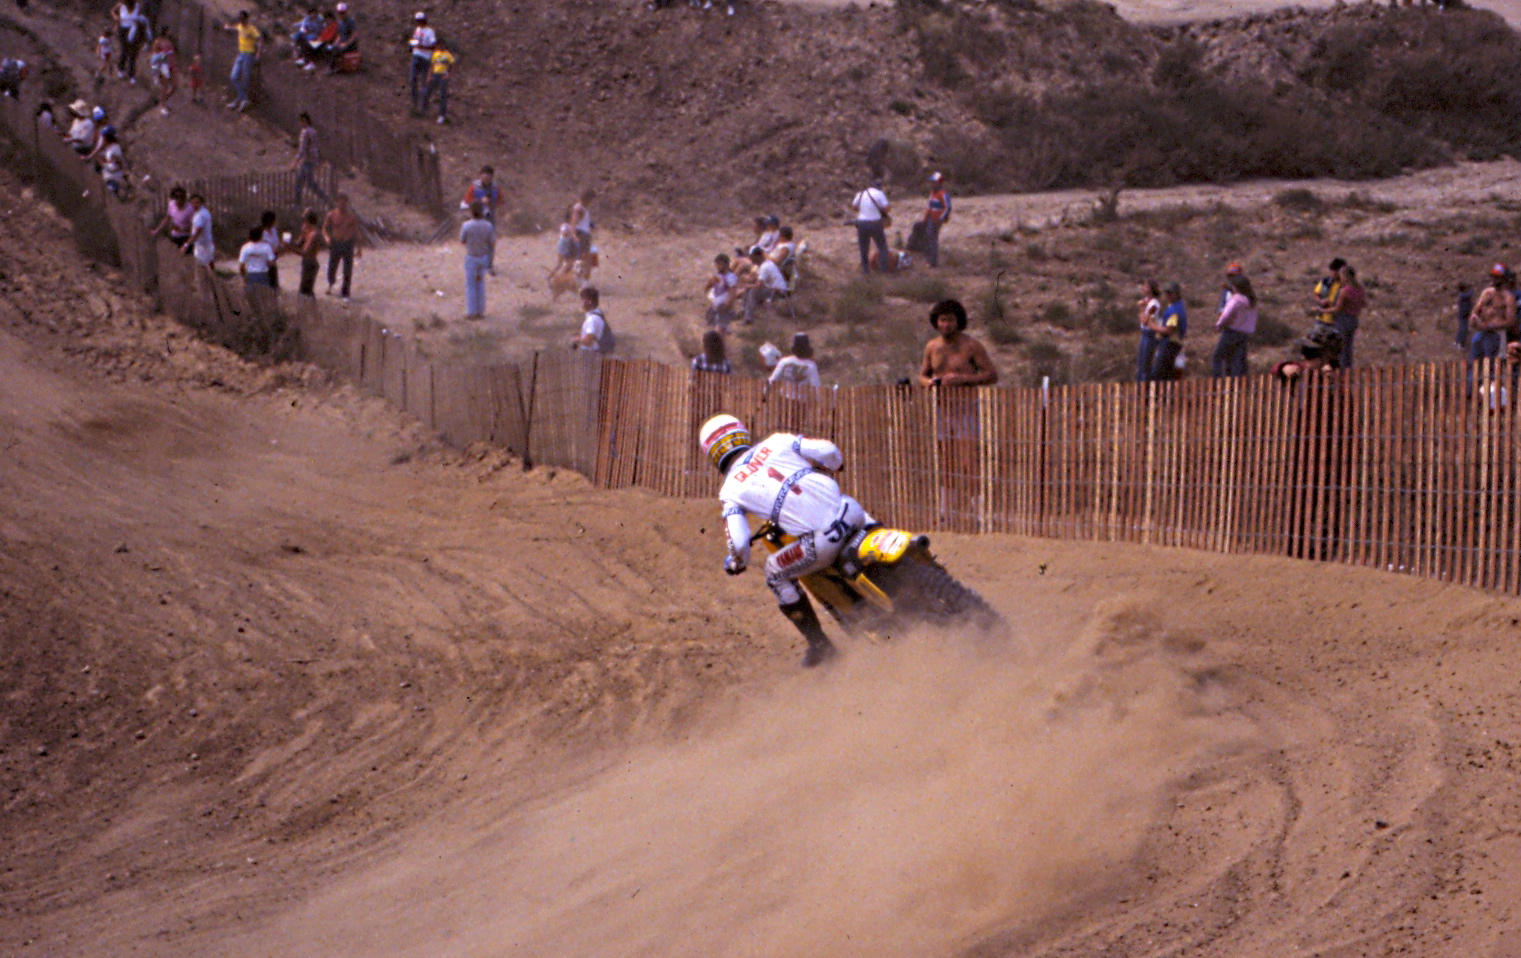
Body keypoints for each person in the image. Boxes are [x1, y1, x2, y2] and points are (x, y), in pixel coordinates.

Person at [698, 414, 874, 667]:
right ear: (741, 433)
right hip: (851, 512)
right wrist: (836, 464)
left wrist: (737, 562)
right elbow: (827, 450)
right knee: (852, 506)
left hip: (820, 543)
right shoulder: (776, 441)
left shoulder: (730, 491)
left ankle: (820, 645)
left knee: (774, 573)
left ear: (712, 455)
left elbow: (739, 543)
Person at [917, 298, 998, 389]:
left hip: (966, 397)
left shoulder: (972, 346)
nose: (946, 325)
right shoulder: (931, 346)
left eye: (950, 320)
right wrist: (930, 382)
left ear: (958, 321)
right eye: (943, 320)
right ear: (936, 322)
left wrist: (963, 379)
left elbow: (992, 376)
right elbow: (922, 377)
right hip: (940, 397)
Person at [1211, 272, 1258, 378]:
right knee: (1237, 360)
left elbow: (1226, 315)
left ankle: (1217, 381)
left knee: (1217, 357)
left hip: (1231, 331)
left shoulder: (1236, 300)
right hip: (1244, 334)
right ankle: (1239, 383)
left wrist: (1219, 325)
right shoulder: (1251, 302)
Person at [1322, 263, 1365, 368]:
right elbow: (1364, 303)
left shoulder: (1344, 291)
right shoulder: (1360, 288)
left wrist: (1322, 310)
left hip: (1343, 320)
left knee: (1341, 348)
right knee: (1349, 347)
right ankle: (1348, 369)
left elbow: (1337, 309)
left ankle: (1341, 371)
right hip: (1354, 319)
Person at [1468, 264, 1513, 365]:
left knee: (1492, 364)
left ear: (1504, 279)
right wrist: (1474, 318)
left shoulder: (1508, 297)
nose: (1494, 279)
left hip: (1496, 334)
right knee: (1474, 362)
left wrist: (1491, 326)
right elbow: (1476, 310)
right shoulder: (1486, 293)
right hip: (1481, 332)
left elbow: (1510, 321)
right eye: (1493, 276)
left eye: (1497, 277)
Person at [322, 192, 360, 299]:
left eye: (344, 202)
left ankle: (345, 291)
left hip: (348, 243)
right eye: (340, 201)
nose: (342, 204)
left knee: (347, 268)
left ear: (346, 203)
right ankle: (330, 284)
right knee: (332, 265)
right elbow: (324, 228)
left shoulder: (351, 217)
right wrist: (327, 237)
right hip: (336, 242)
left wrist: (359, 247)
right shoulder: (331, 215)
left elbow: (356, 232)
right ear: (337, 202)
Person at [460, 200, 495, 319]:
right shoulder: (488, 225)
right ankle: (481, 311)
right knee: (480, 284)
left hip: (471, 257)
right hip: (483, 257)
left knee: (471, 285)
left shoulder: (466, 225)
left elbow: (462, 240)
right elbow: (492, 242)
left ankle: (471, 312)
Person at [851, 177, 890, 275]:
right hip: (875, 222)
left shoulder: (860, 194)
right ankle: (884, 270)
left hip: (862, 223)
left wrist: (864, 210)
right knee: (882, 246)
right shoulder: (880, 194)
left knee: (863, 248)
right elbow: (887, 209)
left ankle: (865, 270)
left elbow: (854, 207)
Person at [1150, 281, 1188, 381]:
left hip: (1170, 345)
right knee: (1167, 377)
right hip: (1170, 345)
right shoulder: (1175, 306)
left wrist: (1152, 326)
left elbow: (1168, 330)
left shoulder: (1175, 311)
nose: (1168, 296)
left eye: (1170, 293)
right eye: (1166, 293)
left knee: (1158, 376)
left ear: (1177, 294)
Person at [741, 247, 789, 322]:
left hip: (778, 291)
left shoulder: (765, 266)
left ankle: (748, 317)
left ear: (758, 256)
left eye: (752, 257)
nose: (751, 259)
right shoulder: (763, 264)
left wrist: (744, 285)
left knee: (753, 291)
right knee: (749, 287)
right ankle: (744, 310)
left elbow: (758, 285)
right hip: (773, 288)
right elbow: (754, 278)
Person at [226, 11, 260, 111]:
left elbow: (259, 39)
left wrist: (258, 53)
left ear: (246, 19)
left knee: (245, 78)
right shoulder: (240, 26)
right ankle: (243, 98)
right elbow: (235, 28)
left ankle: (240, 100)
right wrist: (228, 27)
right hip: (241, 54)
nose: (240, 20)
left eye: (242, 18)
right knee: (234, 76)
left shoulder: (251, 29)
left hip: (249, 55)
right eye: (239, 18)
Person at [292, 112, 327, 207]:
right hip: (312, 160)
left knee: (304, 182)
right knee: (303, 181)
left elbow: (302, 149)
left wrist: (295, 162)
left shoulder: (305, 132)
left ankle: (297, 204)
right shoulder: (313, 131)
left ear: (304, 121)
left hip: (306, 161)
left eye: (301, 121)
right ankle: (324, 199)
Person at [111, 0, 149, 83]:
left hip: (133, 30)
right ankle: (121, 69)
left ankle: (131, 74)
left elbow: (140, 18)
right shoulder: (121, 5)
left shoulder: (137, 7)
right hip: (123, 29)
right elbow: (113, 11)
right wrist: (116, 17)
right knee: (124, 49)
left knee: (133, 52)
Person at [407, 11, 435, 114]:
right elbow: (415, 41)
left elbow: (433, 46)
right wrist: (412, 46)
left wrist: (421, 47)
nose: (419, 22)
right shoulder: (417, 30)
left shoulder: (430, 32)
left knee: (424, 82)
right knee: (412, 80)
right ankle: (414, 103)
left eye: (420, 20)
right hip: (416, 56)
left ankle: (424, 106)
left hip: (425, 58)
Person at [422, 36, 454, 124]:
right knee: (427, 91)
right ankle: (424, 109)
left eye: (441, 45)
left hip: (443, 75)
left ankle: (441, 115)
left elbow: (453, 65)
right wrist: (429, 76)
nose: (440, 47)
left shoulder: (447, 55)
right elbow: (432, 66)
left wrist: (449, 74)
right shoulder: (435, 54)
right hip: (435, 75)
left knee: (442, 95)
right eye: (438, 45)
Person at [922, 172, 951, 268]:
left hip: (937, 220)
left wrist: (941, 218)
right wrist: (925, 218)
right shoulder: (932, 194)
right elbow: (929, 207)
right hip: (931, 219)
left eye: (934, 182)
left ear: (939, 183)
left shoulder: (943, 194)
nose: (932, 184)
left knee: (932, 239)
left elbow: (948, 207)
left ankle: (932, 261)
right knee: (928, 238)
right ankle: (929, 259)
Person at [1135, 279, 1162, 382]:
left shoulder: (1154, 304)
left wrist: (1142, 309)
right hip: (1144, 333)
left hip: (1150, 334)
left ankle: (1145, 385)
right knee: (1140, 363)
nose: (1143, 288)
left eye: (1145, 286)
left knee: (1145, 364)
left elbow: (1145, 321)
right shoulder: (1146, 301)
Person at [704, 253, 738, 330]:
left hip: (723, 307)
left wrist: (727, 305)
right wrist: (710, 282)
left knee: (720, 329)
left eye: (719, 264)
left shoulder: (731, 277)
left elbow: (732, 293)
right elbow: (706, 288)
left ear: (726, 265)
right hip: (715, 306)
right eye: (716, 265)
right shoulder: (717, 276)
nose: (717, 267)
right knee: (711, 328)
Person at [573, 286, 612, 352]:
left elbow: (588, 341)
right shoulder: (599, 315)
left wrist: (577, 339)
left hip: (592, 354)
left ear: (588, 301)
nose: (581, 303)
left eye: (583, 299)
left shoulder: (592, 319)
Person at [147, 30, 176, 114]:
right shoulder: (158, 42)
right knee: (165, 86)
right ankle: (163, 105)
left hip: (171, 64)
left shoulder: (170, 41)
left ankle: (164, 99)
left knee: (175, 86)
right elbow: (154, 55)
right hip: (163, 65)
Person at [295, 208, 322, 296]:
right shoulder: (306, 230)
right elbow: (299, 244)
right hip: (306, 263)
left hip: (311, 264)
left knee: (306, 291)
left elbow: (305, 253)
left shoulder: (314, 234)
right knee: (304, 290)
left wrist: (290, 248)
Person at [184, 192, 214, 266]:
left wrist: (186, 245)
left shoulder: (200, 215)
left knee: (201, 267)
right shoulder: (203, 212)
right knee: (209, 264)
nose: (195, 205)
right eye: (192, 203)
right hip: (206, 244)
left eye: (197, 202)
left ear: (201, 203)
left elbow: (197, 232)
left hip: (202, 246)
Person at [258, 210, 283, 289]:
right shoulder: (261, 233)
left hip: (273, 263)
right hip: (264, 264)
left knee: (274, 287)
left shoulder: (273, 230)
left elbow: (276, 244)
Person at [570, 188, 596, 259]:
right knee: (580, 259)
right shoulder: (579, 208)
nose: (590, 202)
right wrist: (574, 235)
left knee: (584, 259)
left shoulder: (585, 209)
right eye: (590, 199)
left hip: (585, 235)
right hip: (581, 234)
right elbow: (573, 222)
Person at [1456, 281, 1474, 350]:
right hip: (1463, 315)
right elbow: (1470, 294)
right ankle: (1461, 343)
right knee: (1463, 329)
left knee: (1462, 328)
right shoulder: (1463, 295)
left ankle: (1457, 341)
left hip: (1465, 315)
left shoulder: (1463, 295)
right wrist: (1471, 288)